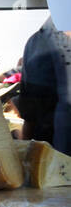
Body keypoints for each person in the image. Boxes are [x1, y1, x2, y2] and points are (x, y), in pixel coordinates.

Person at [15, 16, 71, 150]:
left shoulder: (39, 41)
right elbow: (31, 111)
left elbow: (30, 114)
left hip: (50, 153)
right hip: (54, 150)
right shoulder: (42, 42)